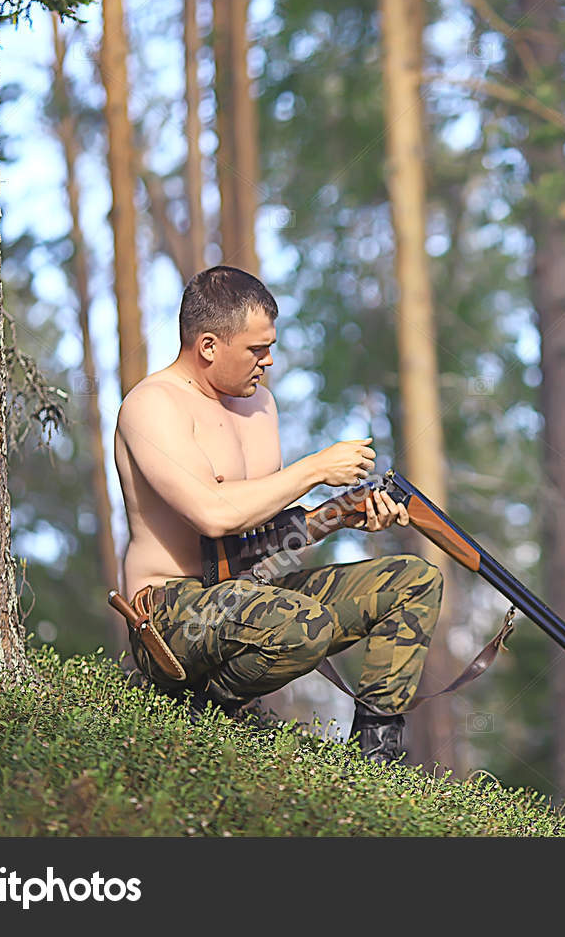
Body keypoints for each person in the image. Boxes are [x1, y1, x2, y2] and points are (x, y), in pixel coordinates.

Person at [113, 265, 443, 761]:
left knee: (414, 579)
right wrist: (314, 469)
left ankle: (375, 760)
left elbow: (260, 539)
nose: (268, 360)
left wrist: (340, 515)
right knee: (304, 625)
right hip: (172, 611)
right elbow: (213, 516)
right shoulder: (152, 405)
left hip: (253, 594)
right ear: (207, 346)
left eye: (270, 345)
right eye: (255, 349)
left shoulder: (259, 405)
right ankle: (200, 710)